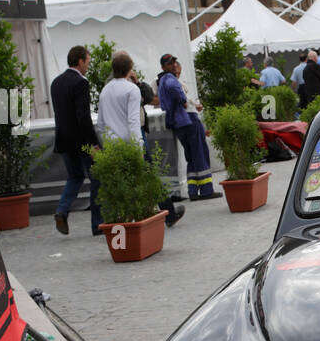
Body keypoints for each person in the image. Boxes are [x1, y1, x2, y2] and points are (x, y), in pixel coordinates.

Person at [98, 52, 184, 226]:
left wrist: (106, 143)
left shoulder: (105, 90)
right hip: (131, 142)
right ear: (129, 70)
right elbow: (133, 121)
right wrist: (138, 149)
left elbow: (100, 123)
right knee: (150, 177)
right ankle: (167, 214)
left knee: (121, 184)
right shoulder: (131, 89)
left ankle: (123, 221)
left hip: (112, 144)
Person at [50, 45, 102, 236]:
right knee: (97, 177)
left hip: (63, 139)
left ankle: (62, 211)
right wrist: (93, 144)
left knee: (75, 176)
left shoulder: (56, 83)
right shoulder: (81, 83)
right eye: (87, 61)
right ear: (80, 61)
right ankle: (98, 223)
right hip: (81, 140)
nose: (88, 66)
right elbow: (83, 117)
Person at [158, 53, 221, 200]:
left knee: (192, 156)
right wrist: (183, 101)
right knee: (200, 153)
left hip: (179, 122)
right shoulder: (169, 79)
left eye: (174, 62)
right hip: (188, 119)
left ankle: (193, 190)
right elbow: (174, 90)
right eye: (170, 63)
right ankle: (206, 190)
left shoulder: (162, 80)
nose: (174, 65)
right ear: (163, 67)